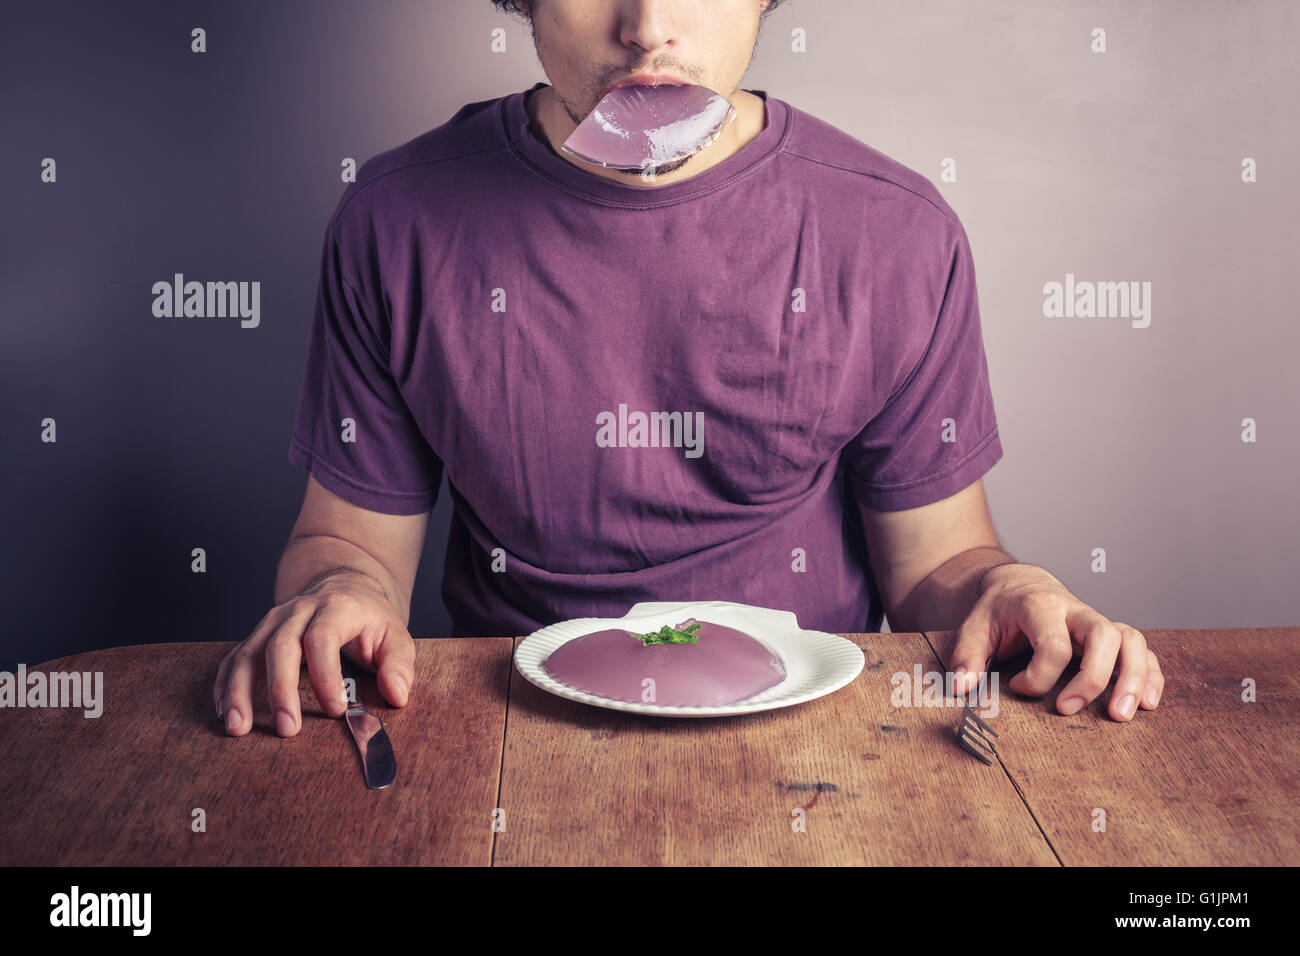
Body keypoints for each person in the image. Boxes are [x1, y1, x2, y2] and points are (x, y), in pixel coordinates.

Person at [214, 0, 1163, 738]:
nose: (646, 30)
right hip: (514, 734)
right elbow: (354, 544)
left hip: (824, 742)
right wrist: (336, 593)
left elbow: (939, 562)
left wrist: (1004, 589)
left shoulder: (897, 235)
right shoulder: (395, 223)